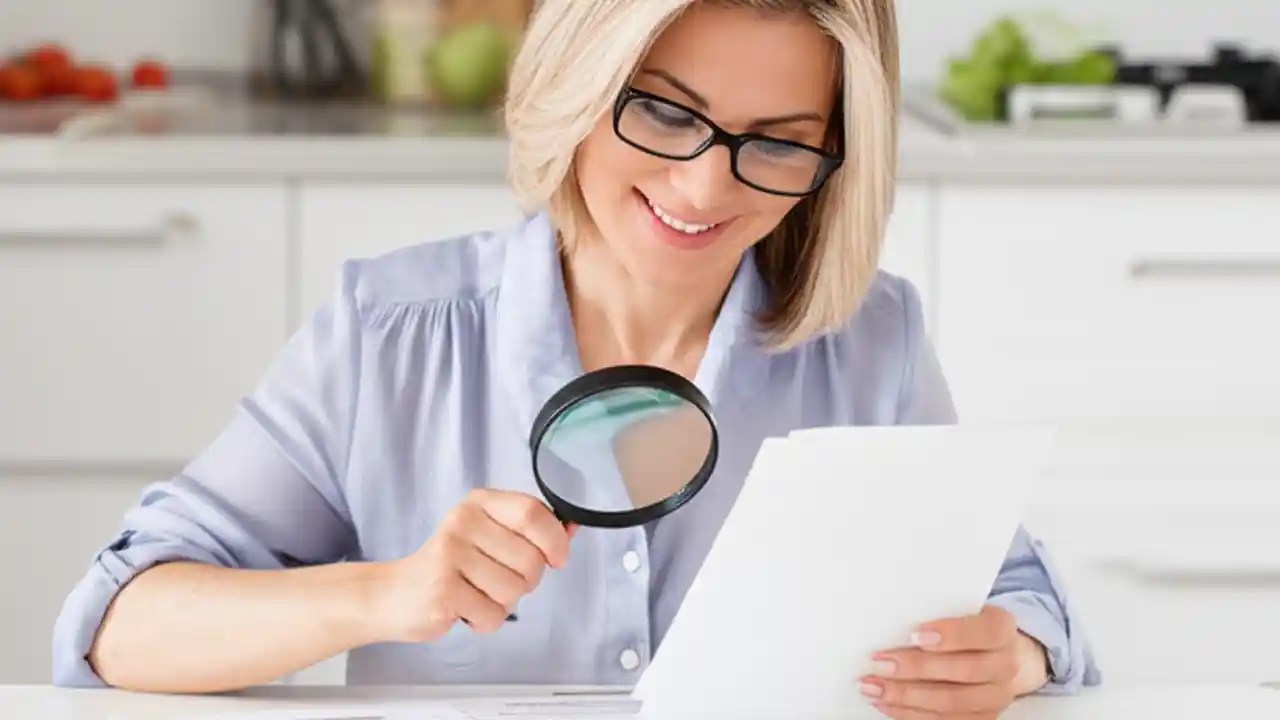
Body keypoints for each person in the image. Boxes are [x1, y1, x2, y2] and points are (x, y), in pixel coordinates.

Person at [53, 0, 1100, 716]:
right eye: (664, 112)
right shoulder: (388, 335)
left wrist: (1007, 653)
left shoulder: (871, 345)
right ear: (578, 84)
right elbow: (118, 627)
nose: (703, 189)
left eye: (778, 141)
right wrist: (386, 595)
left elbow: (1025, 603)